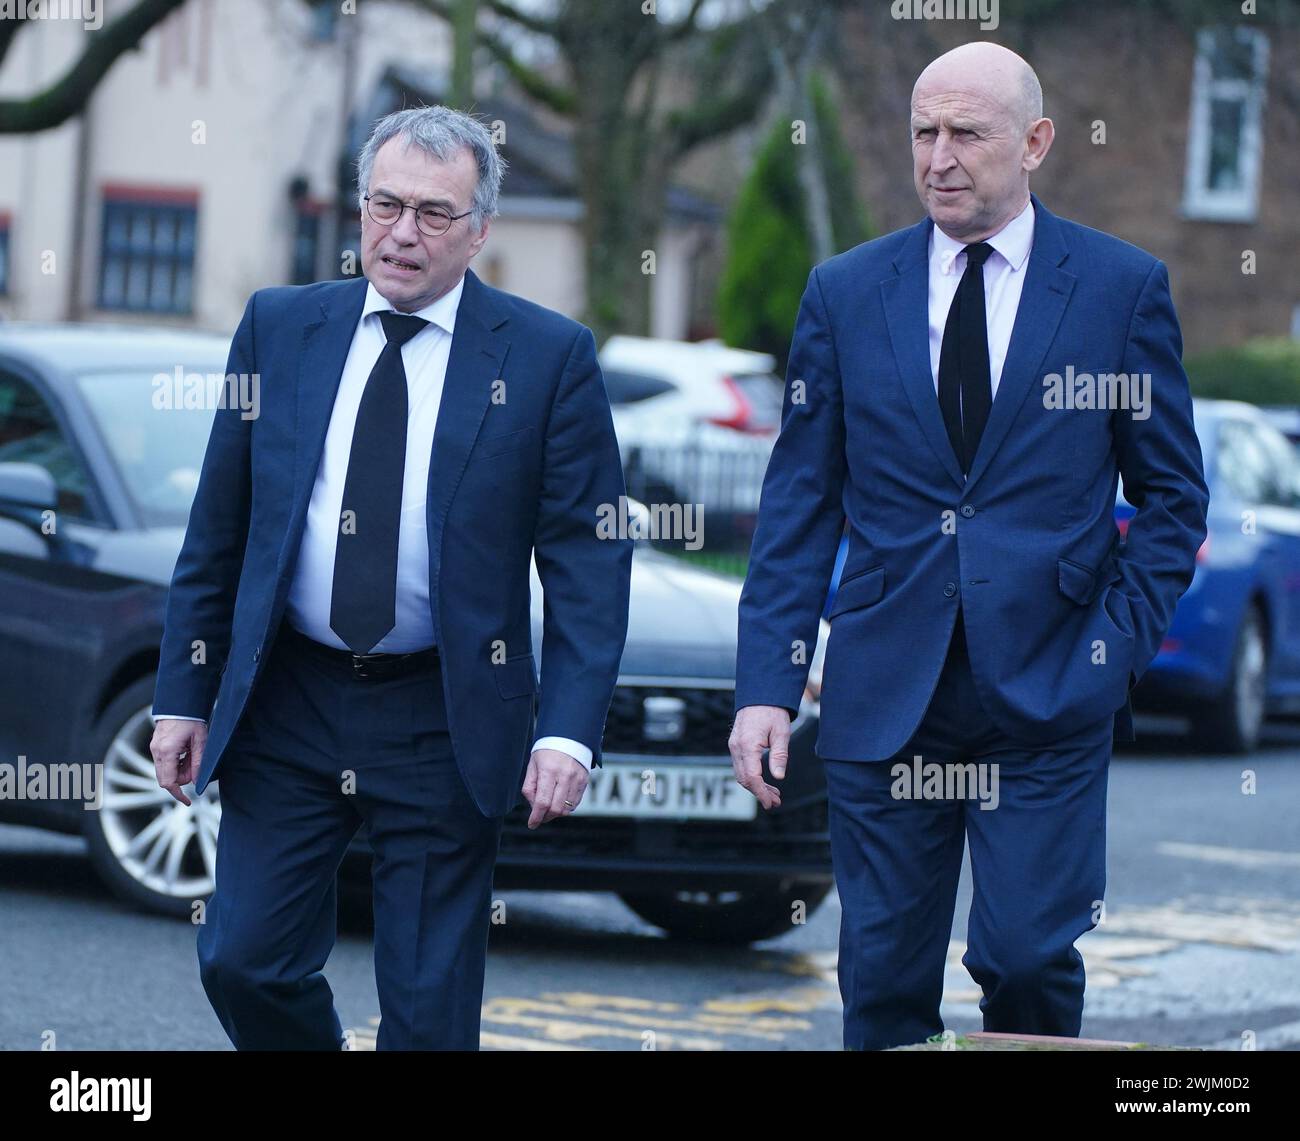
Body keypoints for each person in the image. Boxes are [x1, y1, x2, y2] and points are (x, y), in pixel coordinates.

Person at [729, 42, 1208, 1050]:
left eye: (966, 134)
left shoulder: (1119, 290)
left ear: (1033, 143)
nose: (939, 157)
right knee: (884, 981)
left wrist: (1111, 644)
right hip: (883, 690)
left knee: (1029, 959)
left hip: (1047, 688)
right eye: (923, 133)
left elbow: (1170, 497)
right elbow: (799, 503)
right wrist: (767, 686)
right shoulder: (846, 293)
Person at [149, 106, 632, 1050]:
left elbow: (588, 559)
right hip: (290, 698)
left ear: (481, 230)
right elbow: (220, 528)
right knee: (241, 958)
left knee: (428, 1011)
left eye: (436, 214)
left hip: (441, 713)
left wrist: (569, 732)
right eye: (387, 204)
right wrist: (183, 693)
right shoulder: (281, 328)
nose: (404, 233)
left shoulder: (546, 360)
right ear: (361, 207)